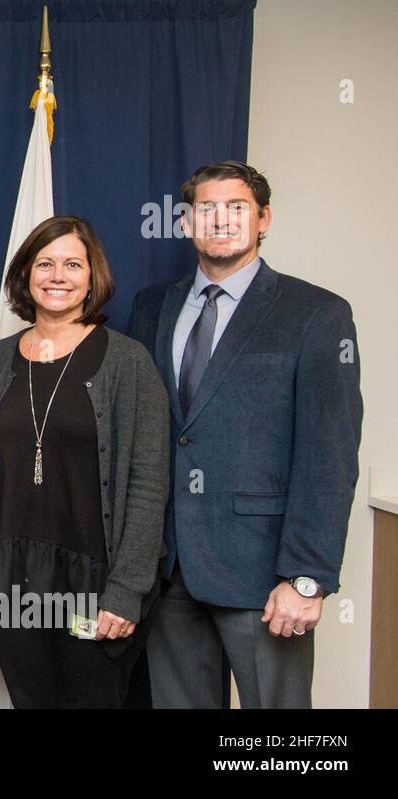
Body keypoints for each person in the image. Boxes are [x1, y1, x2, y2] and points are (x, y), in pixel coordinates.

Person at [127, 161, 363, 708]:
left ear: (264, 220)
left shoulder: (317, 314)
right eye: (206, 209)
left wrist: (307, 576)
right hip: (169, 569)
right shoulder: (151, 306)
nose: (221, 220)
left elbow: (329, 455)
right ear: (185, 223)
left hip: (265, 576)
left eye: (236, 208)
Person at [0, 216, 169, 708]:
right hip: (10, 579)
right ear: (25, 274)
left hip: (91, 584)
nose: (58, 276)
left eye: (73, 265)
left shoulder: (128, 362)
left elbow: (148, 483)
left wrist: (126, 590)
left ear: (92, 275)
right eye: (45, 264)